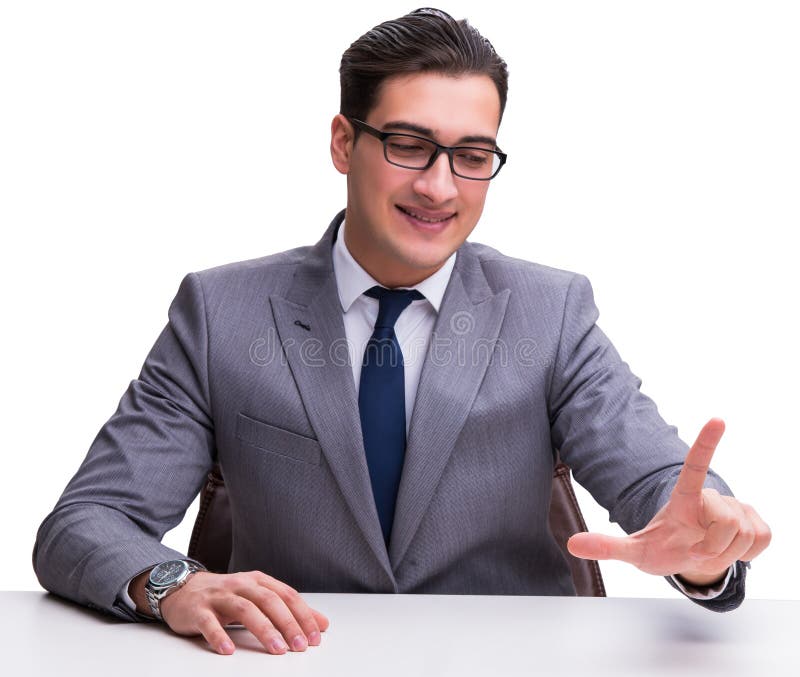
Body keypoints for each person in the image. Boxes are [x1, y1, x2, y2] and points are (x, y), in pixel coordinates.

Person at [33, 7, 770, 657]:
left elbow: (657, 482)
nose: (439, 186)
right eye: (409, 144)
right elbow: (86, 521)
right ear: (341, 142)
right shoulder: (220, 311)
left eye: (472, 156)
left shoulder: (551, 312)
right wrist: (174, 585)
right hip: (294, 659)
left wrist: (702, 550)